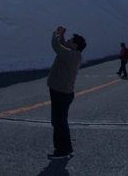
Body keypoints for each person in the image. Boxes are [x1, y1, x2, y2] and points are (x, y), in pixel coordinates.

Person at [47, 26, 85, 160]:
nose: (68, 40)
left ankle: (62, 151)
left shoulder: (70, 55)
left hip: (60, 92)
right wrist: (62, 36)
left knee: (58, 122)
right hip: (63, 92)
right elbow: (62, 44)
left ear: (74, 45)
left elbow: (57, 46)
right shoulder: (73, 54)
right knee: (61, 121)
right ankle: (67, 149)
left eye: (71, 39)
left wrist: (57, 33)